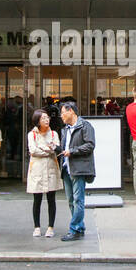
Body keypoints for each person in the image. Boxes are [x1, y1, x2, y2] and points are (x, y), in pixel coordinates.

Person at [55, 101, 94, 241]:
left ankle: (74, 229)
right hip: (67, 168)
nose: (61, 116)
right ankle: (79, 227)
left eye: (63, 112)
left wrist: (72, 152)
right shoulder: (65, 129)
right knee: (71, 200)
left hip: (79, 168)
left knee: (78, 200)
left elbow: (90, 145)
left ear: (71, 111)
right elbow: (64, 147)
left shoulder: (85, 126)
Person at [25, 109, 62, 237]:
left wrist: (44, 149)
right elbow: (33, 151)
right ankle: (37, 227)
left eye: (47, 118)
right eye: (43, 118)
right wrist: (48, 149)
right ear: (37, 121)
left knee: (52, 199)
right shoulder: (32, 135)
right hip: (37, 170)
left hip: (51, 168)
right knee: (37, 199)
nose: (46, 120)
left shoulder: (54, 134)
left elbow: (56, 148)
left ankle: (51, 227)